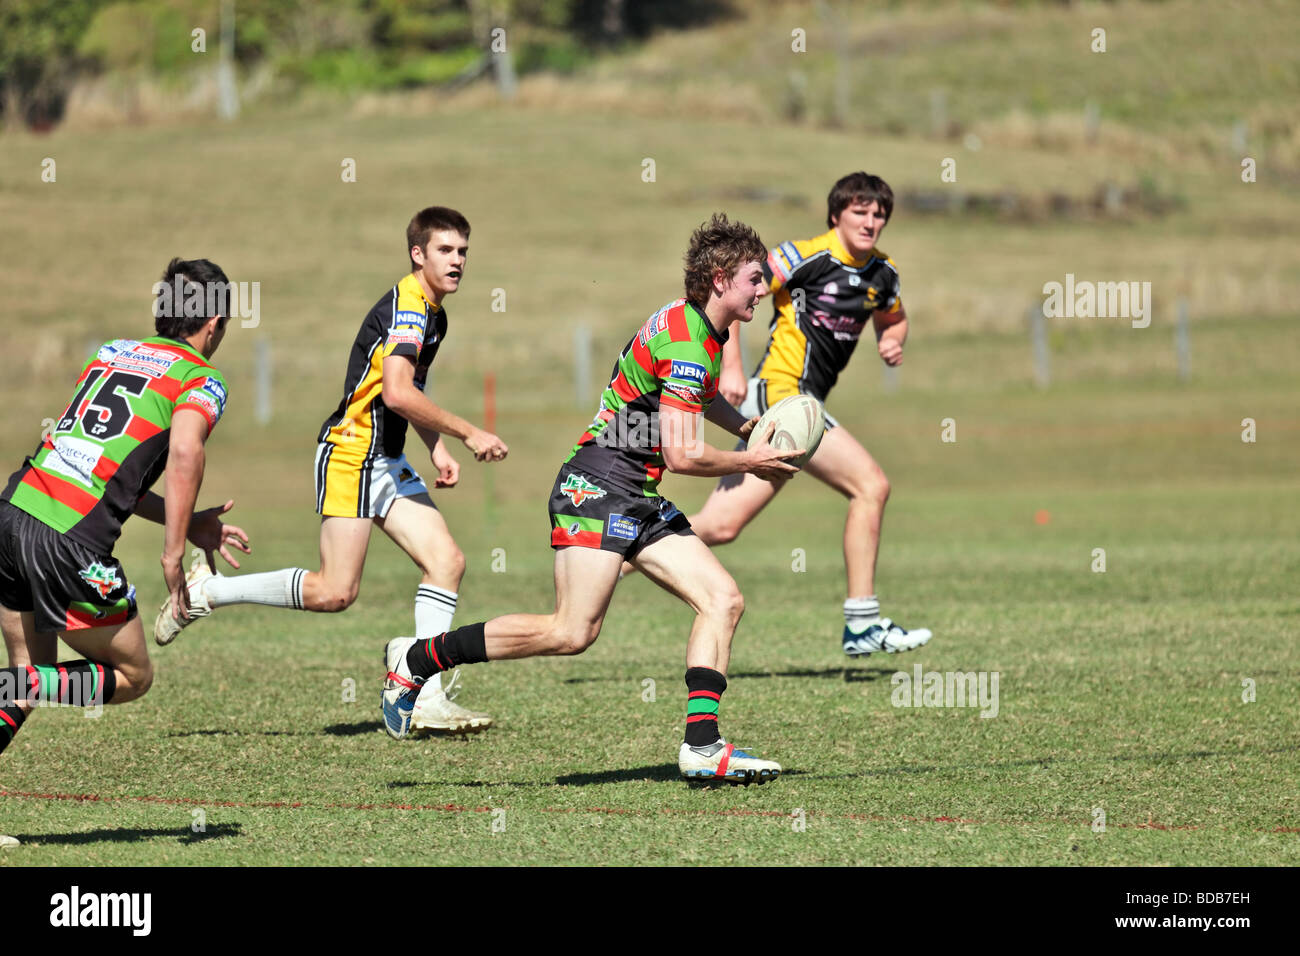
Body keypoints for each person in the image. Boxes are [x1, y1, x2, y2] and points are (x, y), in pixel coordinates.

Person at [380, 213, 802, 784]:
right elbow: (683, 455)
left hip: (634, 489)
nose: (762, 290)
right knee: (571, 632)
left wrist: (746, 428)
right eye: (755, 279)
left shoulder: (697, 326)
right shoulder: (687, 341)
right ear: (722, 278)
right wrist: (751, 460)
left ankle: (703, 747)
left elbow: (696, 399)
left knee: (722, 599)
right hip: (598, 486)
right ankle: (418, 660)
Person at [153, 207, 508, 734]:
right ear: (418, 254)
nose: (457, 262)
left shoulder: (434, 313)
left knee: (447, 562)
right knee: (334, 592)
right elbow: (396, 391)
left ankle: (423, 690)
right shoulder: (410, 307)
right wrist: (467, 432)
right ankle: (208, 593)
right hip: (351, 454)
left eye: (462, 253)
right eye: (445, 251)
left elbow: (409, 392)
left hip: (386, 458)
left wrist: (433, 447)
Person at [627, 173, 932, 658]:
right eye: (860, 211)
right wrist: (732, 368)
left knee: (721, 526)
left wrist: (893, 338)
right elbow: (732, 297)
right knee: (871, 485)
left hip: (802, 405)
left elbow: (894, 316)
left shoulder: (883, 273)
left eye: (879, 215)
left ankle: (617, 546)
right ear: (836, 215)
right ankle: (862, 623)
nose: (870, 221)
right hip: (782, 396)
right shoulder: (802, 255)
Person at [0, 258, 251, 846]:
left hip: (14, 514)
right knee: (133, 675)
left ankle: (22, 687)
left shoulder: (112, 352)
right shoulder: (200, 378)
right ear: (213, 322)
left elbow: (99, 463)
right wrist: (171, 555)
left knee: (24, 678)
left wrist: (185, 523)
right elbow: (187, 453)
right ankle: (26, 686)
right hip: (67, 543)